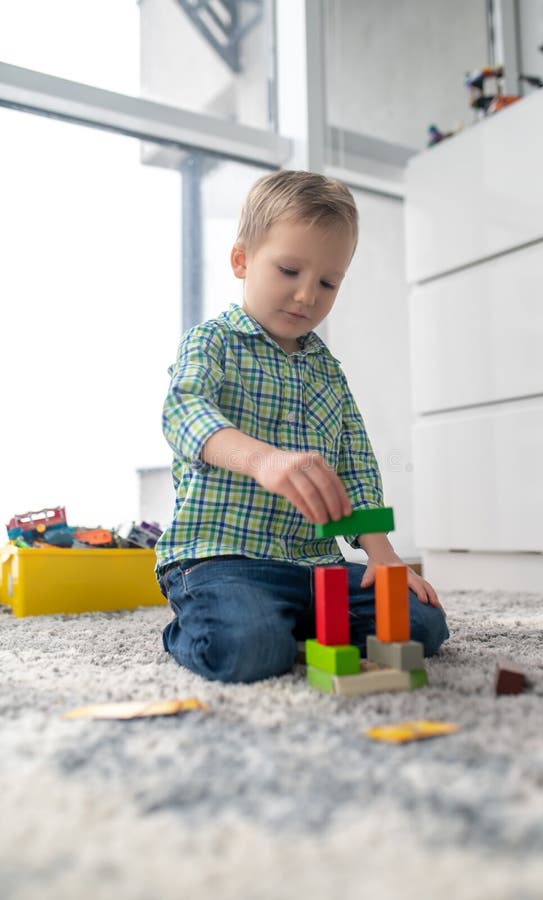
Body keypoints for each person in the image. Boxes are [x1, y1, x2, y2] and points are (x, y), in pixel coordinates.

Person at [156, 169, 449, 683]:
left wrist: (381, 554)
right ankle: (203, 627)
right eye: (289, 270)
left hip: (315, 567)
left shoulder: (327, 369)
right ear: (242, 260)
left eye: (328, 283)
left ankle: (291, 625)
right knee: (250, 650)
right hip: (222, 559)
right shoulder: (212, 341)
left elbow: (355, 463)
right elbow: (182, 410)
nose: (307, 296)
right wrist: (261, 460)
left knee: (422, 626)